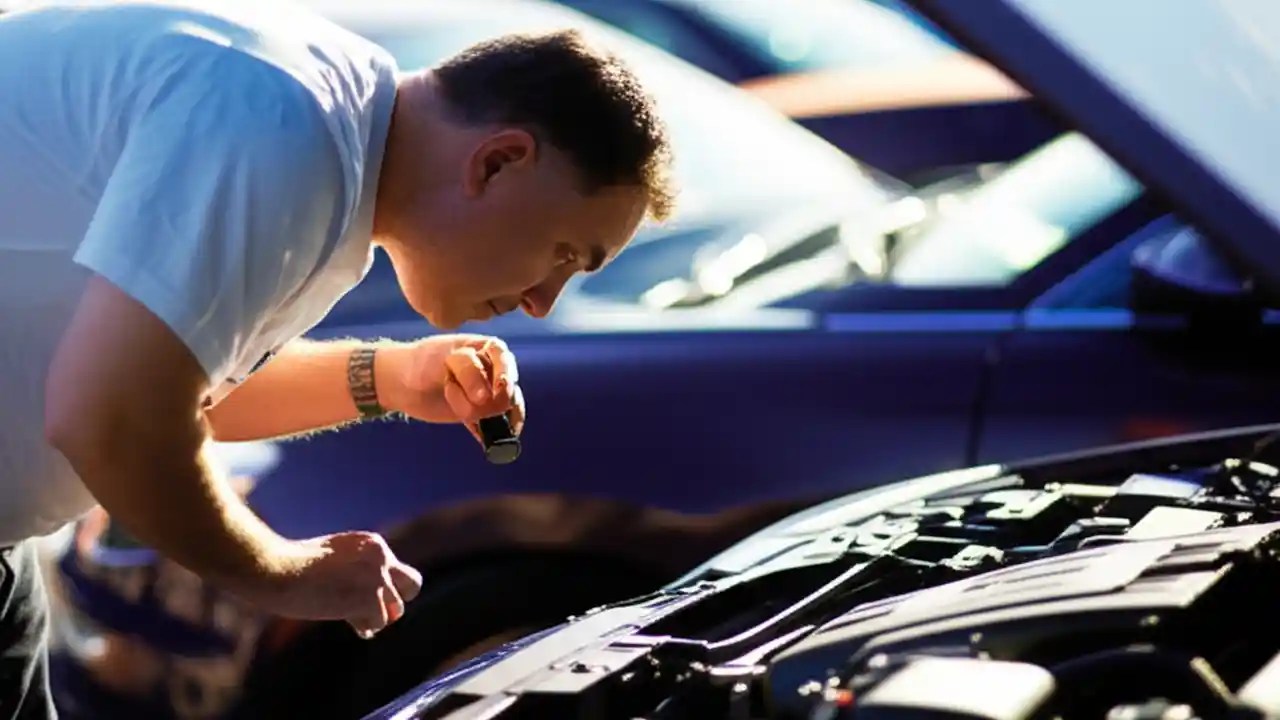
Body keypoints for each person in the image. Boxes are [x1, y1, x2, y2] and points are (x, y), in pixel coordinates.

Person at [0, 0, 674, 715]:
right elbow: (114, 420)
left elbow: (170, 387)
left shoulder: (322, 129)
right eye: (565, 254)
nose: (544, 300)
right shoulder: (282, 124)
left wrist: (394, 378)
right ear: (500, 161)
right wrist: (282, 575)